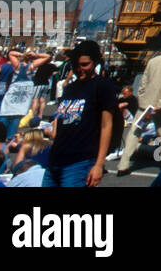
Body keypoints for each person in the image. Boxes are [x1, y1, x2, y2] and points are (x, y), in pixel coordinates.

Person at [46, 39, 116, 188]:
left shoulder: (102, 85)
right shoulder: (70, 88)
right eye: (76, 65)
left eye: (85, 65)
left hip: (80, 162)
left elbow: (106, 126)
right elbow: (61, 118)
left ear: (96, 62)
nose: (79, 69)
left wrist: (99, 164)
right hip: (55, 159)